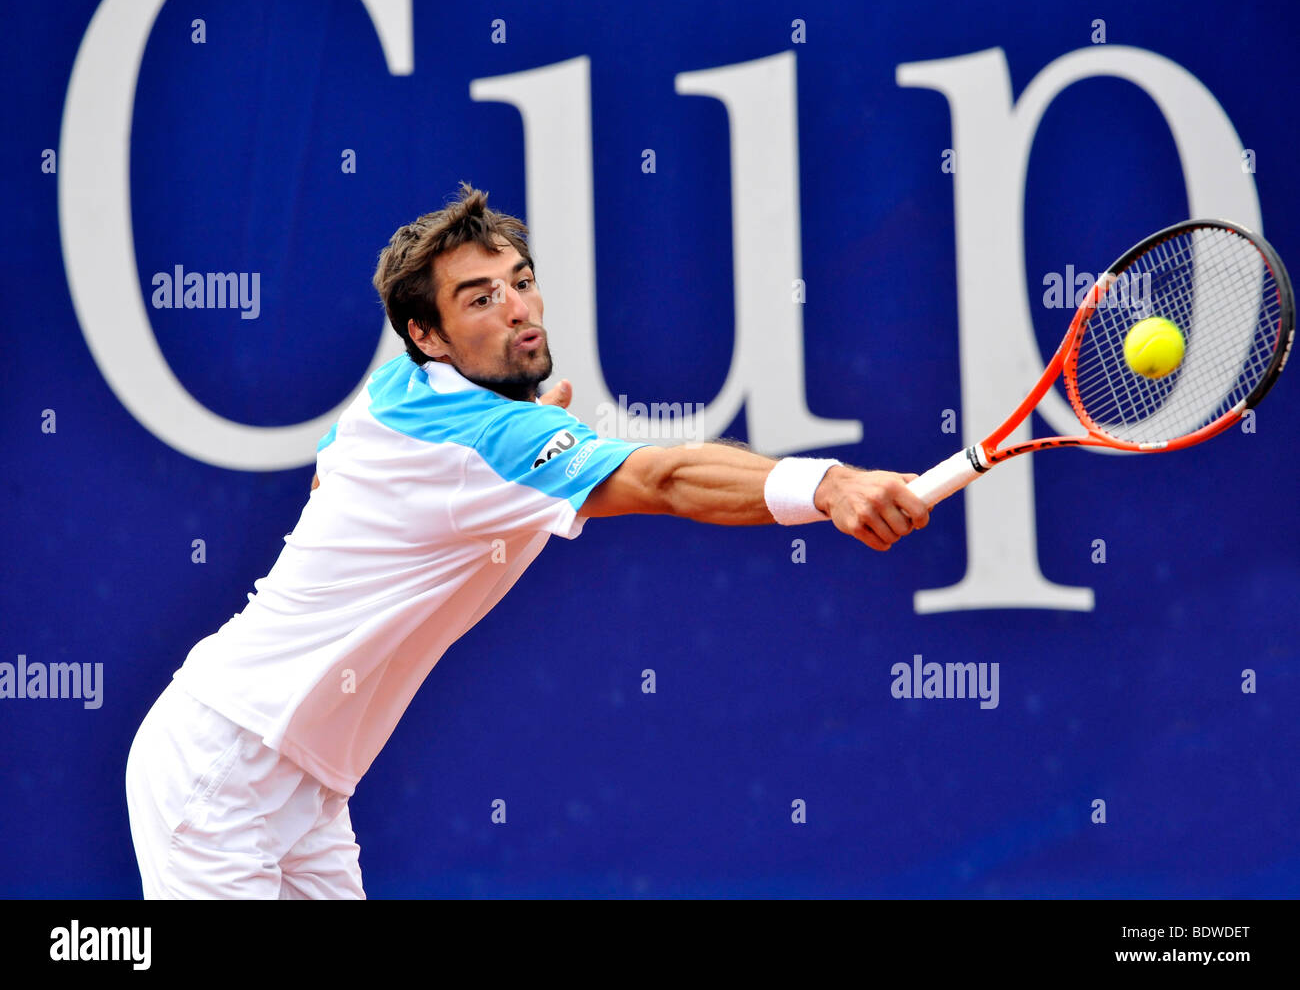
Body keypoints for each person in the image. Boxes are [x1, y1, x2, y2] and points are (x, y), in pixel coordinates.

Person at [124, 182, 929, 899]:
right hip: (222, 767)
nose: (516, 308)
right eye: (478, 300)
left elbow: (332, 474)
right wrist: (827, 484)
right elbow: (667, 480)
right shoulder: (488, 439)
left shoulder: (404, 390)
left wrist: (529, 446)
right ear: (428, 333)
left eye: (522, 283)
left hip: (304, 785)